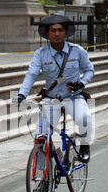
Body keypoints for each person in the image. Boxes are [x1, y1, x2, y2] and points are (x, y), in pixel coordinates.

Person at [14, 14, 95, 163]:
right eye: (53, 30)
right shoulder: (41, 54)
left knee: (84, 118)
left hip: (73, 97)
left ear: (65, 32)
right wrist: (21, 95)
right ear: (47, 33)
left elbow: (90, 70)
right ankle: (42, 178)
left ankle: (84, 146)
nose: (57, 34)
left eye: (60, 30)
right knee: (40, 137)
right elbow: (31, 74)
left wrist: (82, 83)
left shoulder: (76, 51)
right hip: (52, 100)